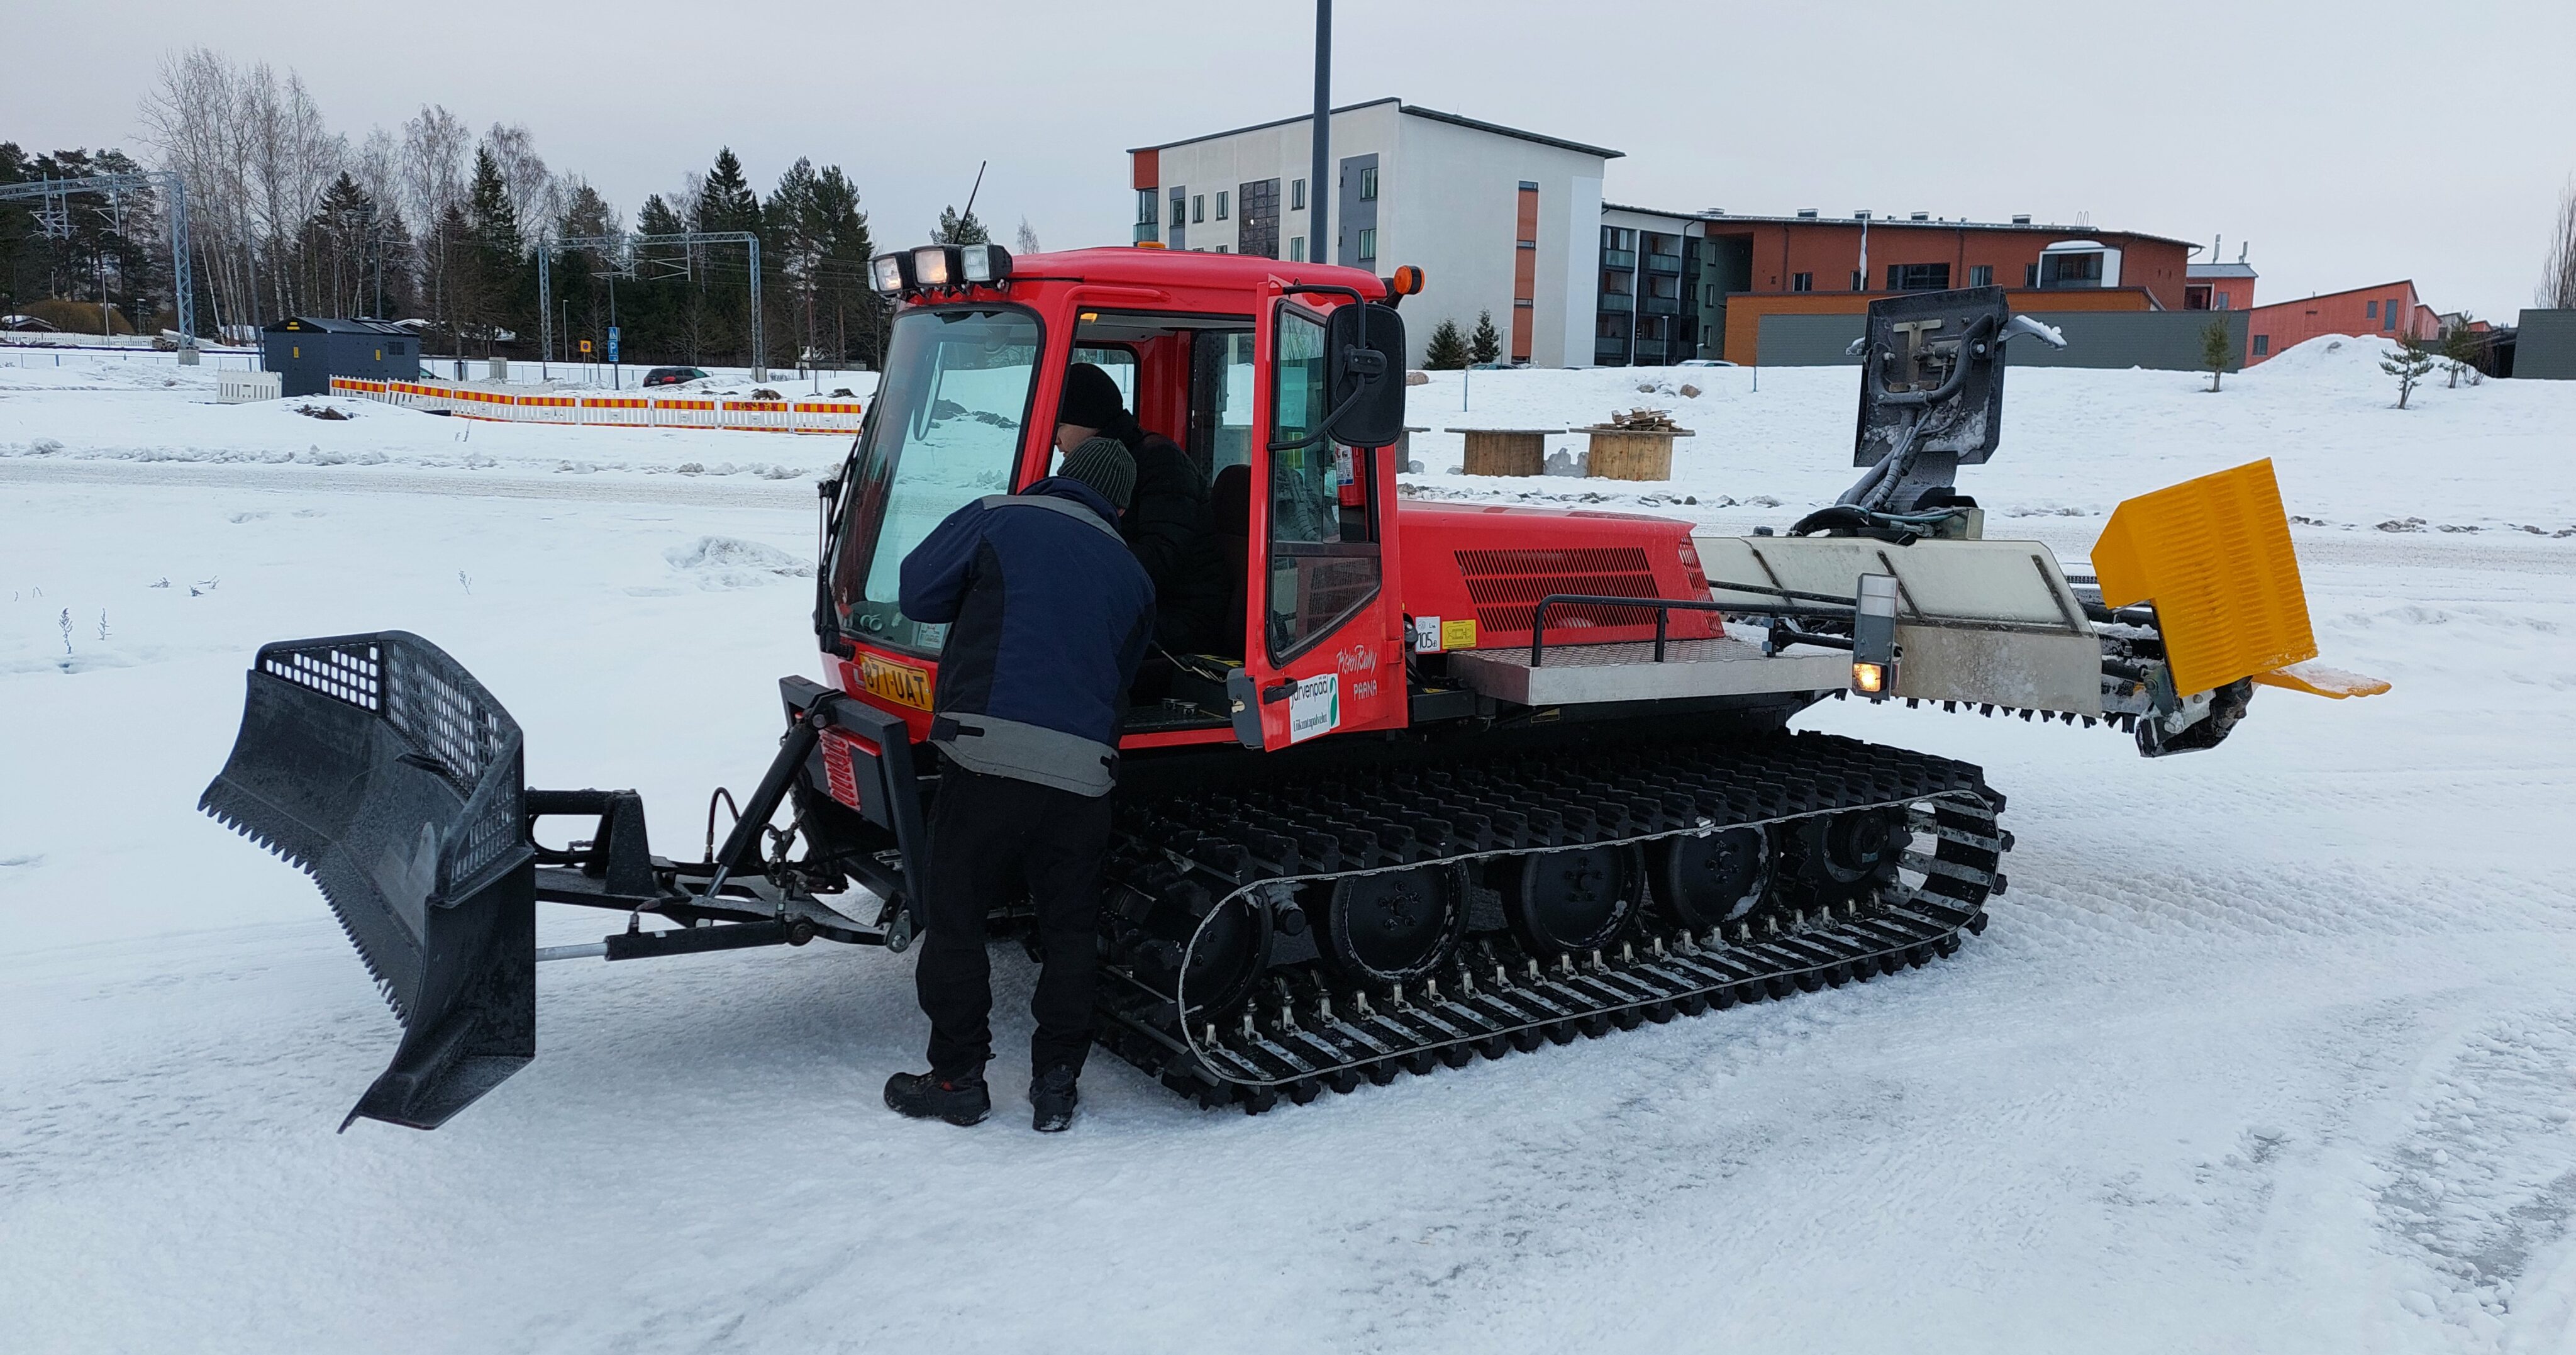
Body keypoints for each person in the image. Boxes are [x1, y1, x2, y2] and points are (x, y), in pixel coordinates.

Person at [884, 437, 1156, 1132]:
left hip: (984, 760)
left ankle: (958, 1080)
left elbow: (917, 591)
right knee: (1069, 931)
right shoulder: (1133, 574)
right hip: (1081, 778)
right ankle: (1057, 1084)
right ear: (1120, 506)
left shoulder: (999, 516)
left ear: (1060, 478)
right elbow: (1122, 679)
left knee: (957, 922)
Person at [1053, 362, 1227, 652]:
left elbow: (1159, 560)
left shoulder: (1161, 463)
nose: (1054, 439)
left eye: (1060, 425)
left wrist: (1082, 561)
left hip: (1180, 613)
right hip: (1137, 604)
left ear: (1089, 419)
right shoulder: (1091, 467)